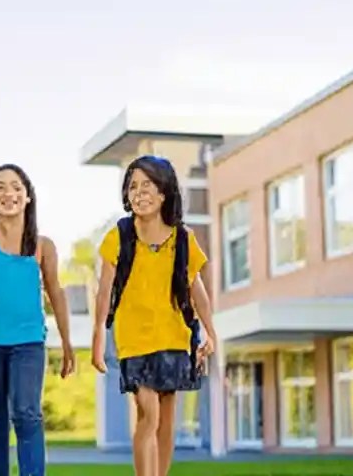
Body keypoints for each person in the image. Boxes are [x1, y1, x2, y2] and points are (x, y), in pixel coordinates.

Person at [91, 156, 216, 476]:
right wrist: (96, 342)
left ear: (164, 193)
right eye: (133, 185)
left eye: (148, 185)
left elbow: (196, 289)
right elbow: (104, 292)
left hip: (174, 337)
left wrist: (210, 332)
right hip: (134, 340)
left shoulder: (183, 239)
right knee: (149, 413)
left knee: (167, 419)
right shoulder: (118, 236)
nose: (139, 192)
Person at [0, 164, 75, 476]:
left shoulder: (43, 246)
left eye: (16, 187)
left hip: (29, 343)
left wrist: (68, 343)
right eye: (0, 188)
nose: (9, 194)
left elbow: (56, 294)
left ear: (28, 196)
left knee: (26, 413)